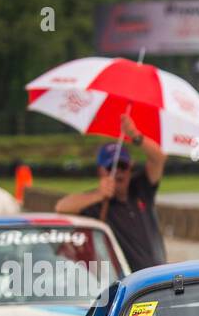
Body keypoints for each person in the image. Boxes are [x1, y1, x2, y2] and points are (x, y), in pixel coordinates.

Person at [55, 112, 167, 271]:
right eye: (111, 167)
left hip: (156, 275)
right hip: (128, 283)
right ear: (101, 171)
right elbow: (61, 206)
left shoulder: (141, 187)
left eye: (123, 166)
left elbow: (159, 158)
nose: (118, 172)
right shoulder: (98, 202)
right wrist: (98, 195)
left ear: (130, 168)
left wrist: (135, 135)